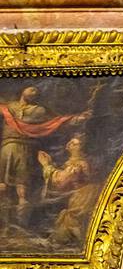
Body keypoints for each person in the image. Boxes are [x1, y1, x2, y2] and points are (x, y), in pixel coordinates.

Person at [0, 85, 93, 220]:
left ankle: (21, 216)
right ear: (22, 90)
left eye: (36, 91)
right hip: (5, 148)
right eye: (31, 89)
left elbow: (58, 122)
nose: (34, 92)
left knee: (22, 184)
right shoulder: (10, 106)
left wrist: (79, 118)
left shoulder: (40, 111)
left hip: (24, 148)